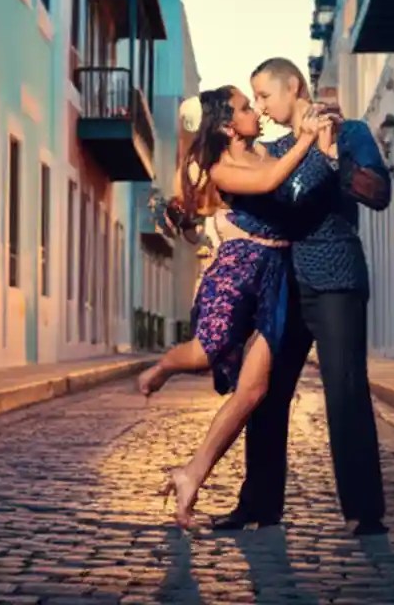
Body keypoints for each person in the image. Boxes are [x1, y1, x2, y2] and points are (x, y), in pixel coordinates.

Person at [134, 85, 331, 528]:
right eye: (245, 107)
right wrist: (304, 138)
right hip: (236, 273)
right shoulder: (221, 167)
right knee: (206, 352)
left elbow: (286, 178)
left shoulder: (266, 152)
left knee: (254, 392)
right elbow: (267, 183)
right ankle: (164, 366)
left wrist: (316, 138)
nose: (254, 112)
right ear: (226, 123)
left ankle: (192, 475)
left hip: (278, 277)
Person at [210, 57, 391, 537]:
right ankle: (259, 505)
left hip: (336, 277)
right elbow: (270, 197)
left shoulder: (350, 131)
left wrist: (337, 159)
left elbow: (378, 192)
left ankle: (365, 511)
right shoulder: (276, 149)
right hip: (285, 283)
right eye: (256, 100)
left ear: (293, 87)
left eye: (266, 96)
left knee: (346, 390)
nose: (262, 108)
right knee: (265, 392)